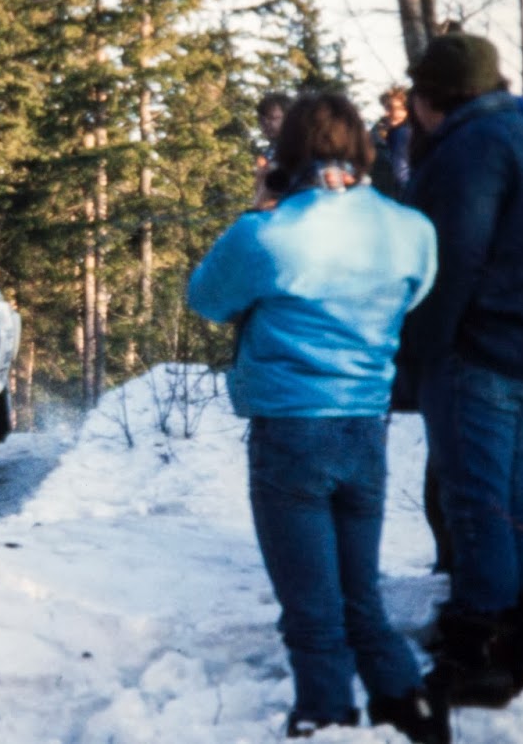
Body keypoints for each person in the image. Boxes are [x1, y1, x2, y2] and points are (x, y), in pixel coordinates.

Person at [188, 92, 444, 742]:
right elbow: (417, 293)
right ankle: (409, 706)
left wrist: (260, 206)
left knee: (311, 605)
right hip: (366, 423)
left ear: (286, 154)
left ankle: (325, 715)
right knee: (360, 594)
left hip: (290, 429)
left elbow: (207, 299)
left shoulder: (265, 233)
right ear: (361, 149)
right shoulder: (409, 230)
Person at [397, 31, 523, 709]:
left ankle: (483, 653)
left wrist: (424, 352)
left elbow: (451, 262)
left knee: (478, 504)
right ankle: (521, 640)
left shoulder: (472, 149)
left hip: (483, 353)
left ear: (431, 97)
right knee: (514, 499)